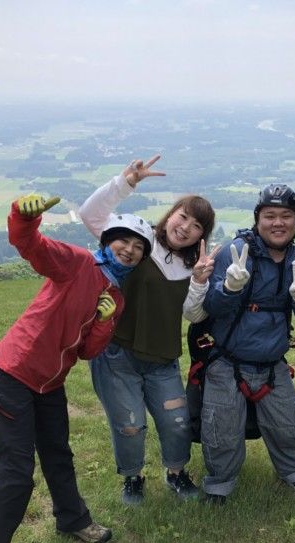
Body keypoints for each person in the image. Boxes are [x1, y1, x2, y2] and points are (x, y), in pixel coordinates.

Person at [0, 194, 154, 543]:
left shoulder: (116, 296)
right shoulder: (78, 263)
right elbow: (33, 248)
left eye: (138, 248)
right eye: (123, 242)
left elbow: (88, 352)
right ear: (107, 241)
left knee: (59, 453)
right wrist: (22, 217)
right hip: (14, 373)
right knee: (14, 476)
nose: (129, 251)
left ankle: (72, 519)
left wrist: (102, 321)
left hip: (50, 383)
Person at [78, 156, 216, 505]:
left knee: (177, 422)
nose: (185, 227)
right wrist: (125, 182)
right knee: (129, 425)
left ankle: (176, 473)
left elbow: (192, 314)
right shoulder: (138, 242)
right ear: (170, 214)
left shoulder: (192, 268)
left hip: (163, 359)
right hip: (116, 355)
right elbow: (91, 216)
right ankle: (133, 478)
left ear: (202, 235)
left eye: (196, 225)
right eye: (182, 216)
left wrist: (199, 282)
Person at [200, 184, 295, 504]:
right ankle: (220, 482)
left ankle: (293, 471)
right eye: (269, 215)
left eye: (287, 216)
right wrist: (229, 288)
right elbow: (211, 309)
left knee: (288, 426)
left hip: (272, 363)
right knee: (221, 432)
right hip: (228, 360)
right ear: (257, 219)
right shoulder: (235, 252)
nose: (278, 222)